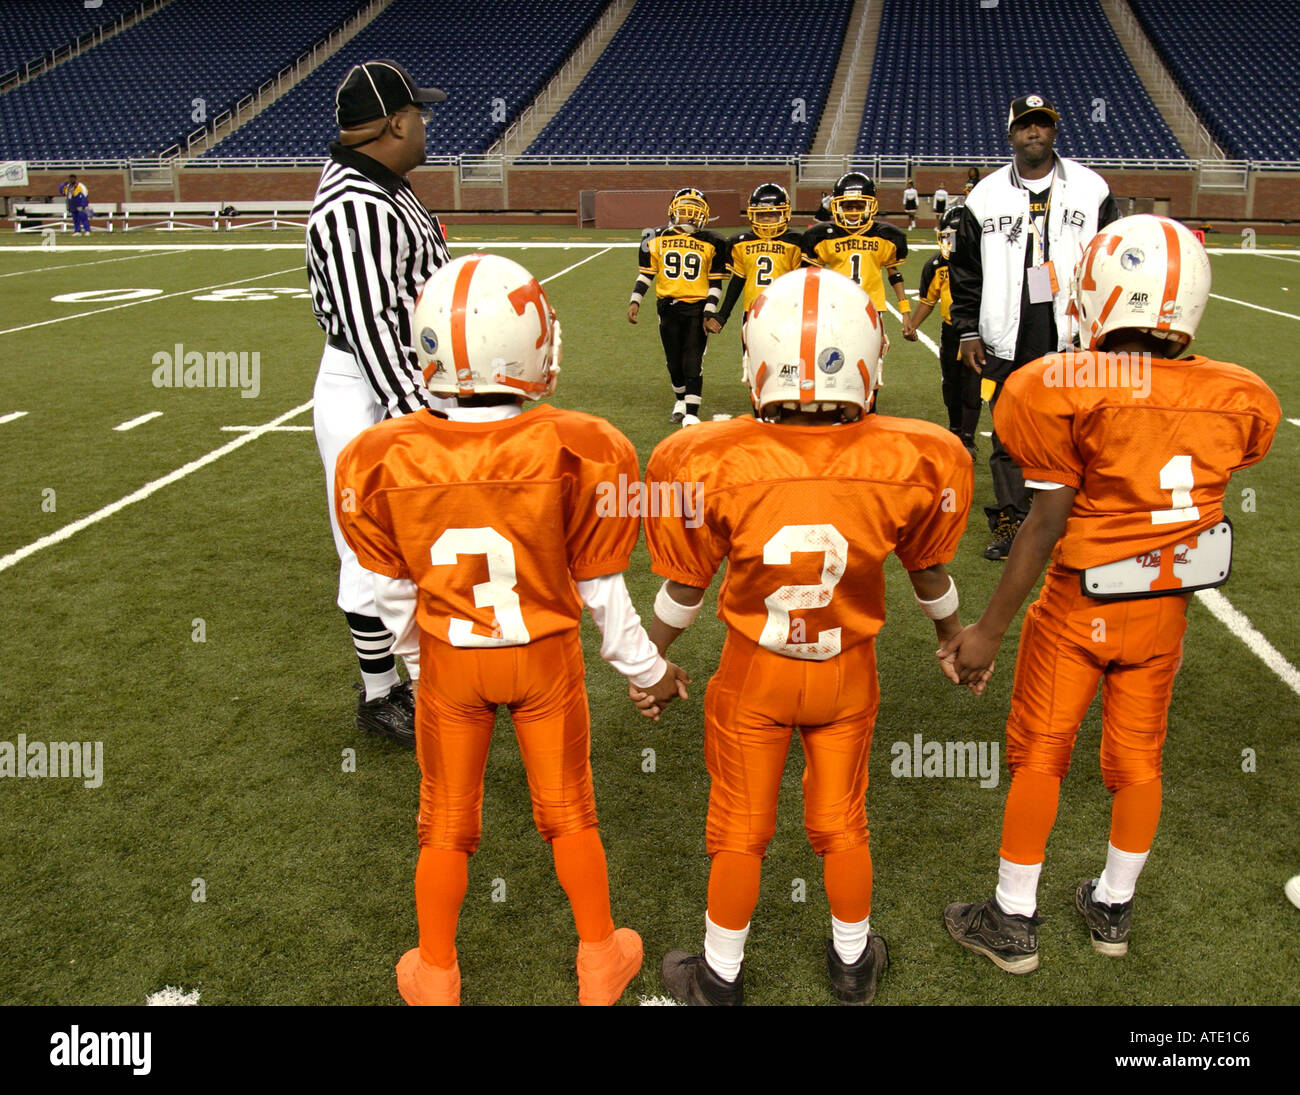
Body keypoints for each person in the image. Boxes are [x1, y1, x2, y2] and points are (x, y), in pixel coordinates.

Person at [335, 253, 690, 1005]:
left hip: (450, 662)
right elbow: (600, 586)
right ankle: (599, 957)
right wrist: (647, 669)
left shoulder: (380, 455)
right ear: (528, 346)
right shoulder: (581, 445)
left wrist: (421, 662)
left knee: (444, 818)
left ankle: (436, 970)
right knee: (568, 812)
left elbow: (388, 588)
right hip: (542, 661)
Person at [939, 216, 1280, 973]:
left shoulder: (1061, 388)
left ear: (1100, 291)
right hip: (1164, 613)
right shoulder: (1236, 394)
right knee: (1138, 761)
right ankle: (1112, 908)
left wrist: (987, 629)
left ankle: (1013, 916)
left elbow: (1044, 523)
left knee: (1040, 755)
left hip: (1080, 609)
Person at [636, 267, 974, 1005]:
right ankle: (853, 961)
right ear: (870, 360)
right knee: (841, 819)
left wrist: (649, 659)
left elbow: (685, 588)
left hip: (753, 673)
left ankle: (720, 974)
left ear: (759, 360)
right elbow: (929, 576)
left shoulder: (711, 457)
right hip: (846, 673)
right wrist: (953, 635)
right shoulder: (912, 456)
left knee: (741, 824)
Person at [307, 60, 451, 746]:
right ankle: (380, 696)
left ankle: (421, 681)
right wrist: (416, 420)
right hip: (369, 389)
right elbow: (370, 328)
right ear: (395, 122)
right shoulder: (355, 204)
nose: (427, 122)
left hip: (398, 376)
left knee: (410, 542)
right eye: (419, 111)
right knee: (367, 544)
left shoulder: (385, 188)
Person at [949, 93, 1120, 561]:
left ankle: (1078, 519)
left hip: (1072, 332)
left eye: (1042, 125)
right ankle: (1011, 519)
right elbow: (965, 269)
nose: (1034, 132)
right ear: (1011, 135)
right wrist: (967, 329)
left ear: (1054, 132)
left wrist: (1107, 331)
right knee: (1009, 428)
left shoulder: (1092, 189)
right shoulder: (984, 195)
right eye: (1026, 125)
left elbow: (1111, 263)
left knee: (1078, 429)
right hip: (1006, 331)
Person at [803, 171, 910, 413]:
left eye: (858, 205)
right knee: (832, 358)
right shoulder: (823, 236)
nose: (852, 211)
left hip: (872, 310)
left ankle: (868, 409)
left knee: (871, 362)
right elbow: (811, 278)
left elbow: (895, 274)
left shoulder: (886, 236)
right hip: (834, 309)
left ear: (870, 205)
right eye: (847, 205)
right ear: (836, 206)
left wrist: (905, 310)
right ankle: (835, 405)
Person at [627, 187, 728, 426]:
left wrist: (709, 311)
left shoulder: (712, 241)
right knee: (674, 361)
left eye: (694, 213)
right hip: (668, 308)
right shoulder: (656, 237)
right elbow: (646, 275)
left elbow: (715, 282)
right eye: (684, 212)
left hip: (697, 309)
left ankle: (692, 412)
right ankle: (680, 401)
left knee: (692, 360)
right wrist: (635, 300)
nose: (689, 217)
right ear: (673, 212)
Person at [902, 206, 981, 457]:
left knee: (973, 385)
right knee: (952, 383)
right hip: (951, 330)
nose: (952, 241)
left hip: (977, 331)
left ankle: (968, 437)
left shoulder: (981, 263)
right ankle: (955, 429)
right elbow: (928, 300)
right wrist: (912, 324)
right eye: (949, 235)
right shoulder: (936, 264)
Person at [710, 183, 803, 357]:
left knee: (786, 364)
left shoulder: (795, 242)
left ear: (785, 214)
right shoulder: (742, 242)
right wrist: (723, 314)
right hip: (753, 312)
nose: (766, 220)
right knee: (752, 365)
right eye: (761, 215)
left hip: (786, 312)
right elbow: (737, 282)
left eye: (772, 215)